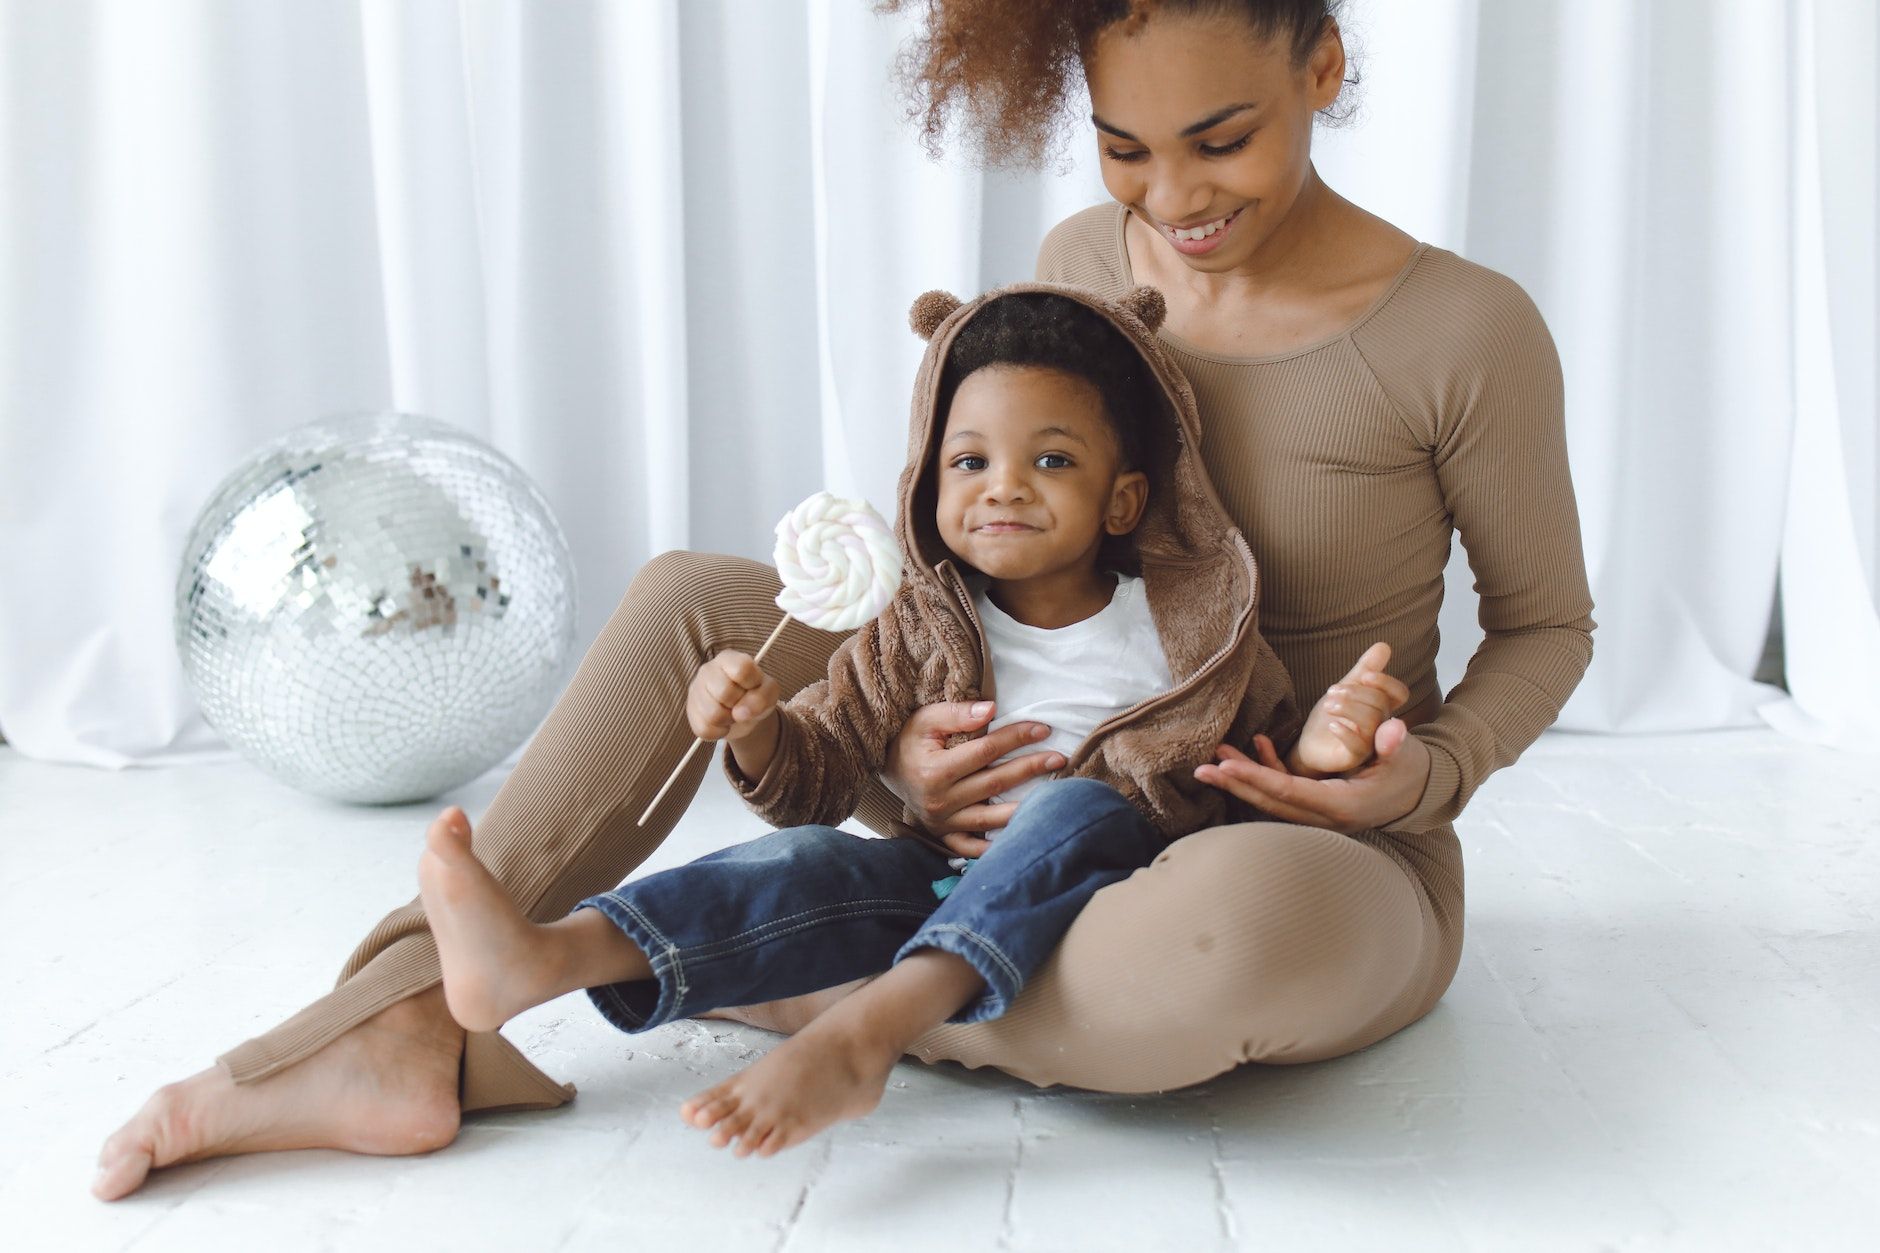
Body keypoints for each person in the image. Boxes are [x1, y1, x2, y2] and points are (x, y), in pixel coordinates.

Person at [94, 0, 1595, 1199]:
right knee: (696, 597)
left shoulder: (1465, 330)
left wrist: (1419, 775)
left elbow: (1549, 627)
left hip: (1278, 838)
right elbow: (1002, 531)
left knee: (1221, 938)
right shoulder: (1089, 261)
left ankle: (775, 971)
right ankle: (404, 1026)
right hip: (1012, 792)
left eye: (1222, 140)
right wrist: (900, 751)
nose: (1173, 199)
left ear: (1323, 65)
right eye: (1124, 147)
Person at [412, 284, 1409, 1157]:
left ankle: (867, 1032)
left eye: (1051, 459)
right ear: (929, 482)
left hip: (1112, 881)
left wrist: (1326, 744)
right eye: (967, 459)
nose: (1001, 485)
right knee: (807, 863)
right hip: (943, 879)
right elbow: (822, 767)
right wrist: (755, 726)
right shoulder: (920, 627)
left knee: (1070, 809)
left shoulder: (1190, 629)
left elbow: (1261, 764)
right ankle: (546, 955)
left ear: (1123, 499)